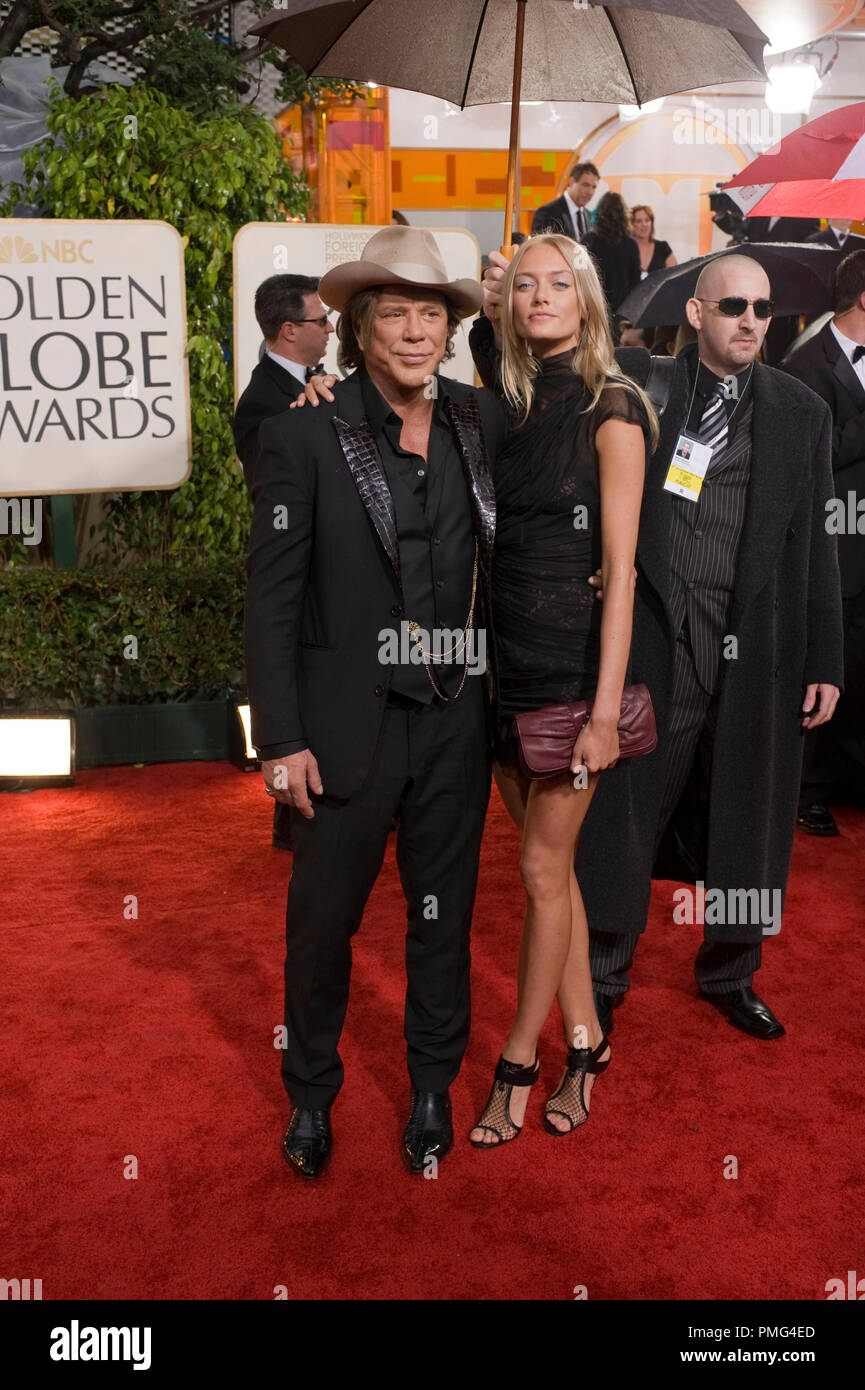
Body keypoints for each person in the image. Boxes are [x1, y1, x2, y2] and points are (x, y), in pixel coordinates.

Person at [244, 226, 507, 1179]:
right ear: (357, 329)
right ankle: (311, 1094)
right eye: (391, 313)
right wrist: (279, 739)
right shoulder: (303, 432)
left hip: (452, 724)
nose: (411, 331)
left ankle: (432, 1086)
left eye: (429, 314)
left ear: (449, 330)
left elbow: (578, 403)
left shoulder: (483, 423)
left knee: (442, 920)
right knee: (322, 927)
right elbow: (270, 601)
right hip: (343, 729)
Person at [573, 253, 843, 1042]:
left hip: (754, 646)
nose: (750, 322)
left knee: (747, 817)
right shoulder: (640, 385)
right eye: (731, 306)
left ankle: (729, 971)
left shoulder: (800, 412)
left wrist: (823, 659)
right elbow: (546, 404)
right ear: (695, 314)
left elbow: (817, 545)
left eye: (761, 309)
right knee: (630, 811)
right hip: (657, 641)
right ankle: (601, 972)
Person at [466, 234, 657, 1147]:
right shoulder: (504, 401)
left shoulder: (611, 407)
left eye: (558, 283)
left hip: (572, 674)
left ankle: (517, 1064)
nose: (540, 297)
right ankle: (587, 1042)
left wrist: (603, 713)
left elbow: (618, 572)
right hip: (500, 665)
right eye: (525, 286)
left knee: (540, 872)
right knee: (555, 878)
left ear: (584, 300)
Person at [783, 248, 865, 836]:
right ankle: (807, 788)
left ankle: (852, 780)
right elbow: (816, 457)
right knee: (826, 668)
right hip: (834, 545)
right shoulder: (804, 363)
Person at [233, 274, 334, 493]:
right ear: (290, 330)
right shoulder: (261, 404)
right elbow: (274, 500)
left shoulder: (314, 379)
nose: (331, 329)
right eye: (322, 321)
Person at [582, 192, 642, 315]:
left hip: (595, 308)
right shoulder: (631, 244)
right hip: (622, 310)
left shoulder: (589, 240)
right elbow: (636, 283)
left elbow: (581, 277)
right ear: (624, 215)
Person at [531, 162, 600, 242]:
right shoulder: (547, 213)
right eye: (585, 185)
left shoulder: (588, 215)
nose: (590, 192)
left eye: (594, 187)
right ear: (571, 182)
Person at [631, 204, 677, 278]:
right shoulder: (626, 249)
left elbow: (675, 276)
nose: (644, 224)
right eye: (639, 221)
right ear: (631, 225)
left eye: (647, 220)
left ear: (651, 223)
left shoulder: (663, 247)